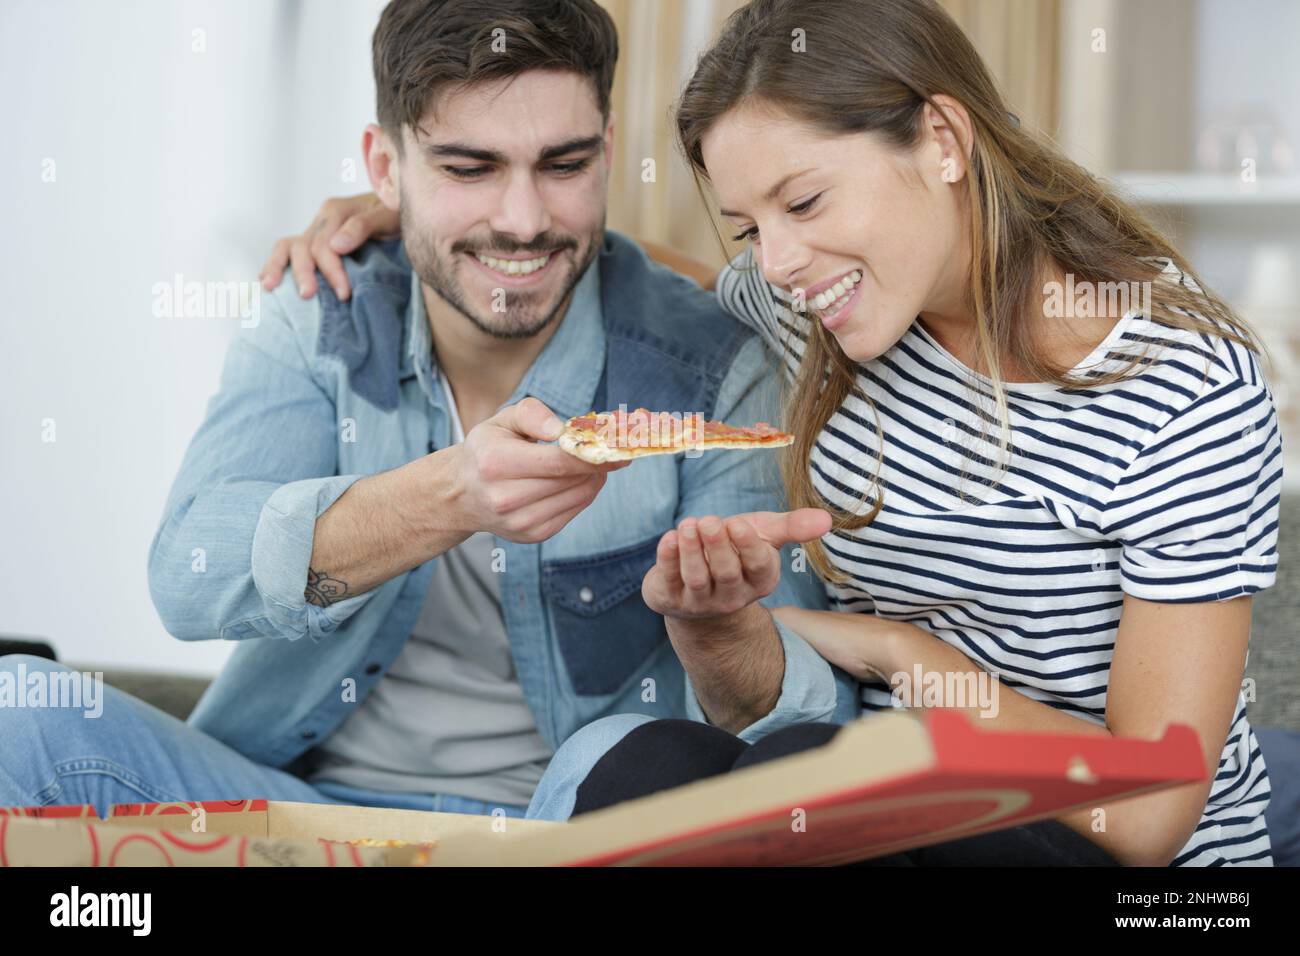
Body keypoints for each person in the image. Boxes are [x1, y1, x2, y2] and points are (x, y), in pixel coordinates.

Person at [285, 0, 1281, 867]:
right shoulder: (827, 307)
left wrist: (896, 653)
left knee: (806, 776)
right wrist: (417, 218)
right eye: (752, 227)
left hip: (1099, 843)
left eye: (803, 200)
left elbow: (1149, 810)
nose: (783, 262)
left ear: (941, 139)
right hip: (881, 800)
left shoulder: (1176, 391)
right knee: (642, 763)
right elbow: (627, 275)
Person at [0, 0, 857, 825]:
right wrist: (448, 496)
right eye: (467, 168)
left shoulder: (710, 364)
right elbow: (188, 578)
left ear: (606, 151)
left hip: (551, 829)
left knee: (632, 746)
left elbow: (792, 727)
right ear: (383, 168)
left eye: (564, 166)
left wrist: (718, 633)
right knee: (19, 707)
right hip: (293, 811)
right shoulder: (323, 315)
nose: (523, 222)